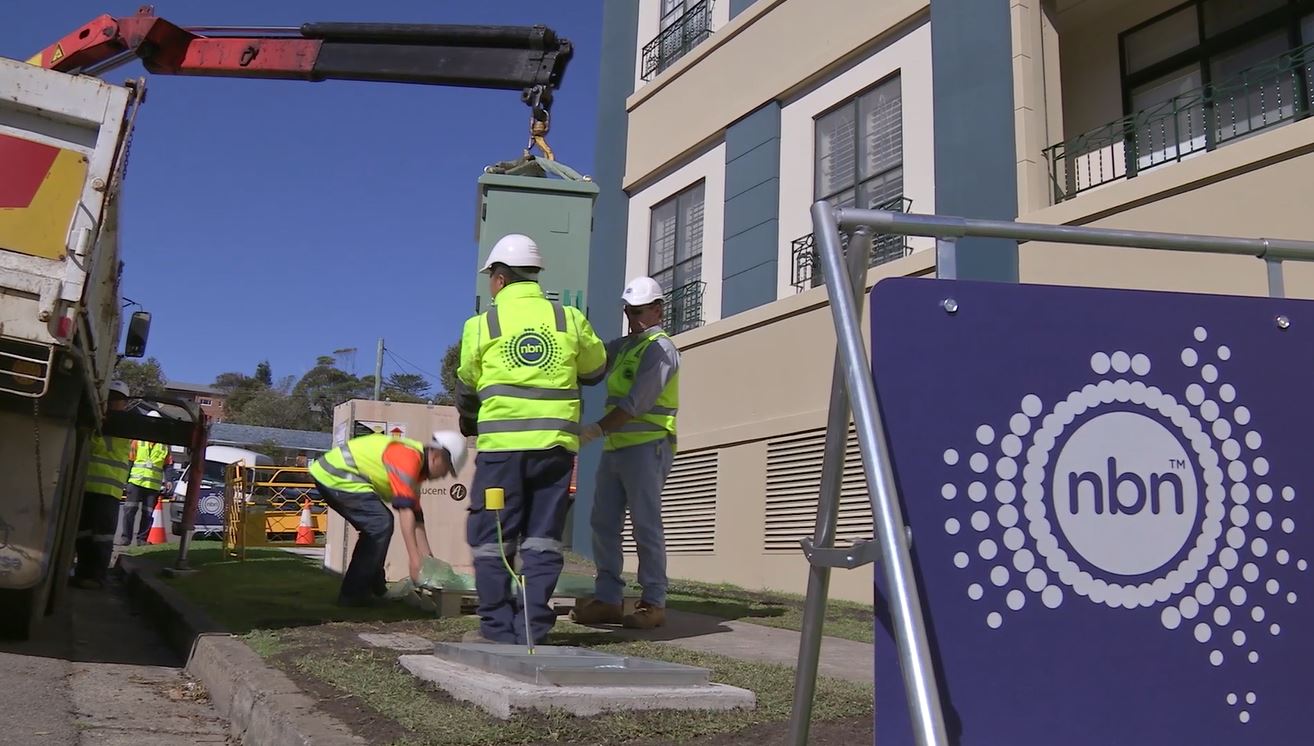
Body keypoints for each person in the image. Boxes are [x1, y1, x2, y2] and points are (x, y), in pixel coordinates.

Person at [456, 233, 607, 645]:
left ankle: (496, 628)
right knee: (543, 537)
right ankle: (532, 628)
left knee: (492, 538)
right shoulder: (568, 319)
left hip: (501, 456)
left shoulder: (483, 324)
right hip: (554, 454)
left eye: (490, 277)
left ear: (501, 279)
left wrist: (471, 419)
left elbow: (467, 385)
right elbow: (596, 369)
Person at [571, 276, 680, 630]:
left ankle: (653, 602)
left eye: (640, 312)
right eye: (629, 312)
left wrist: (595, 430)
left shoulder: (661, 350)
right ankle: (608, 598)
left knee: (645, 525)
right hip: (617, 447)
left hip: (648, 446)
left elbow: (636, 403)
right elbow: (596, 361)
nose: (633, 319)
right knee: (603, 523)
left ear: (658, 310)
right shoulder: (627, 345)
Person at [308, 430, 467, 606]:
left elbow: (417, 517)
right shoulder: (408, 457)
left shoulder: (417, 467)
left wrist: (428, 560)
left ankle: (376, 588)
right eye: (446, 470)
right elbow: (405, 511)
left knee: (377, 527)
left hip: (340, 477)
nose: (444, 476)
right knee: (380, 523)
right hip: (334, 475)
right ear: (437, 457)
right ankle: (353, 595)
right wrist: (415, 561)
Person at [72, 380, 133, 589]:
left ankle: (97, 577)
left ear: (125, 404)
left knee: (102, 537)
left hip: (108, 491)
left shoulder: (123, 425)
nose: (113, 403)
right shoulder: (99, 420)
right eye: (111, 398)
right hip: (87, 488)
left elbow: (98, 447)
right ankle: (83, 573)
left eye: (118, 399)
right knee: (84, 534)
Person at [120, 411, 172, 546]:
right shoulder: (137, 440)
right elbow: (130, 461)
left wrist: (169, 480)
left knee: (147, 514)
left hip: (153, 485)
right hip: (136, 482)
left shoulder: (164, 444)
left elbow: (168, 464)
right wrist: (125, 481)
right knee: (129, 510)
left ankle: (142, 540)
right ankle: (126, 538)